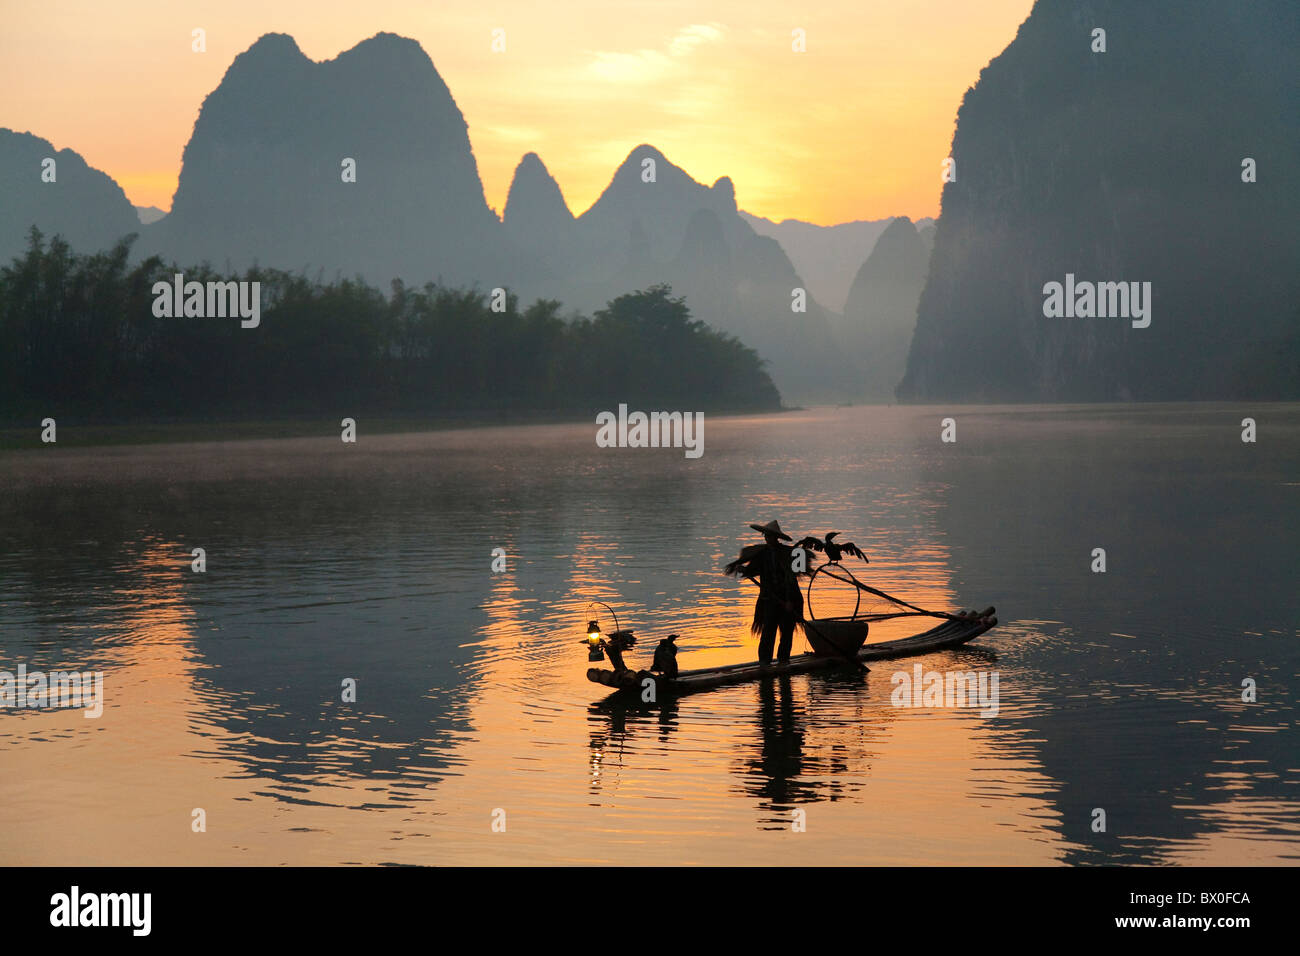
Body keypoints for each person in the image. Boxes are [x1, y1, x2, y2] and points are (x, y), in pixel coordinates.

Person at [725, 520, 806, 664]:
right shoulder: (762, 554)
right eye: (765, 536)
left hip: (787, 599)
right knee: (768, 632)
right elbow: (754, 569)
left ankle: (783, 662)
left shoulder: (788, 554)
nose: (766, 538)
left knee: (786, 633)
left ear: (776, 537)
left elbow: (791, 580)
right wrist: (743, 569)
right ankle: (764, 663)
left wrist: (789, 601)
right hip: (769, 600)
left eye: (769, 536)